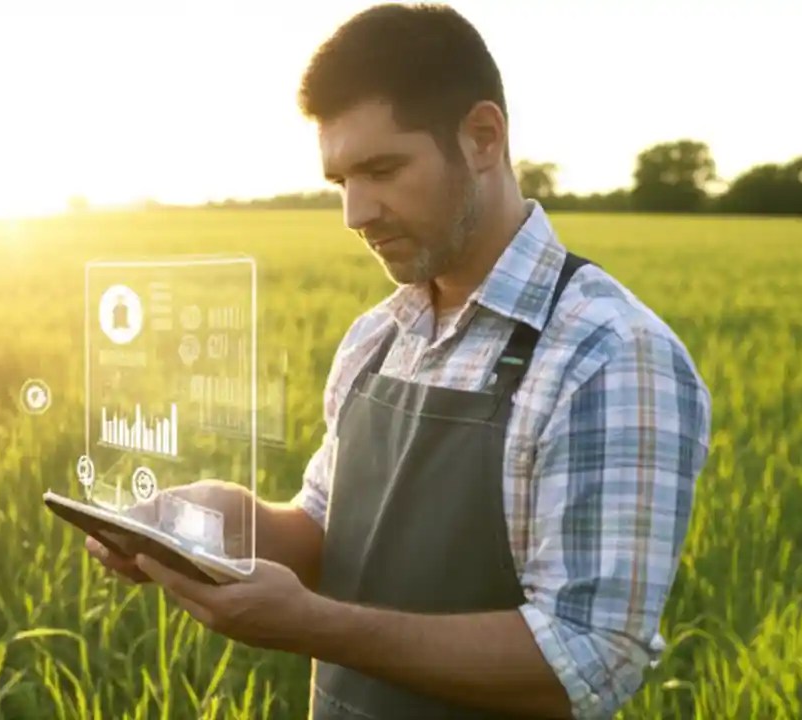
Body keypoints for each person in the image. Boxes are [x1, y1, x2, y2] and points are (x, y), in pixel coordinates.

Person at [85, 3, 712, 718]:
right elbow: (326, 532)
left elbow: (589, 657)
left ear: (482, 137)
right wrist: (215, 521)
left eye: (381, 168)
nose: (355, 212)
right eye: (340, 181)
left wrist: (313, 625)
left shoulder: (607, 354)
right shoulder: (377, 337)